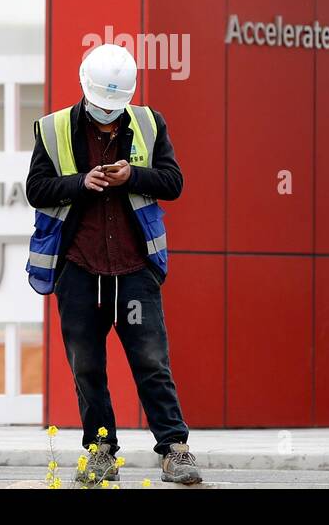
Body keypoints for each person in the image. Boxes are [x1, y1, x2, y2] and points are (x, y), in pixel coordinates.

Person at [25, 43, 201, 485]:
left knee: (151, 362)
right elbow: (37, 189)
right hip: (79, 269)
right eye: (102, 106)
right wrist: (81, 183)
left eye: (114, 106)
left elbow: (173, 182)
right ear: (84, 89)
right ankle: (101, 451)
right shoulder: (53, 130)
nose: (108, 113)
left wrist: (132, 178)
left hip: (134, 268)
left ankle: (175, 450)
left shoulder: (148, 122)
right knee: (87, 365)